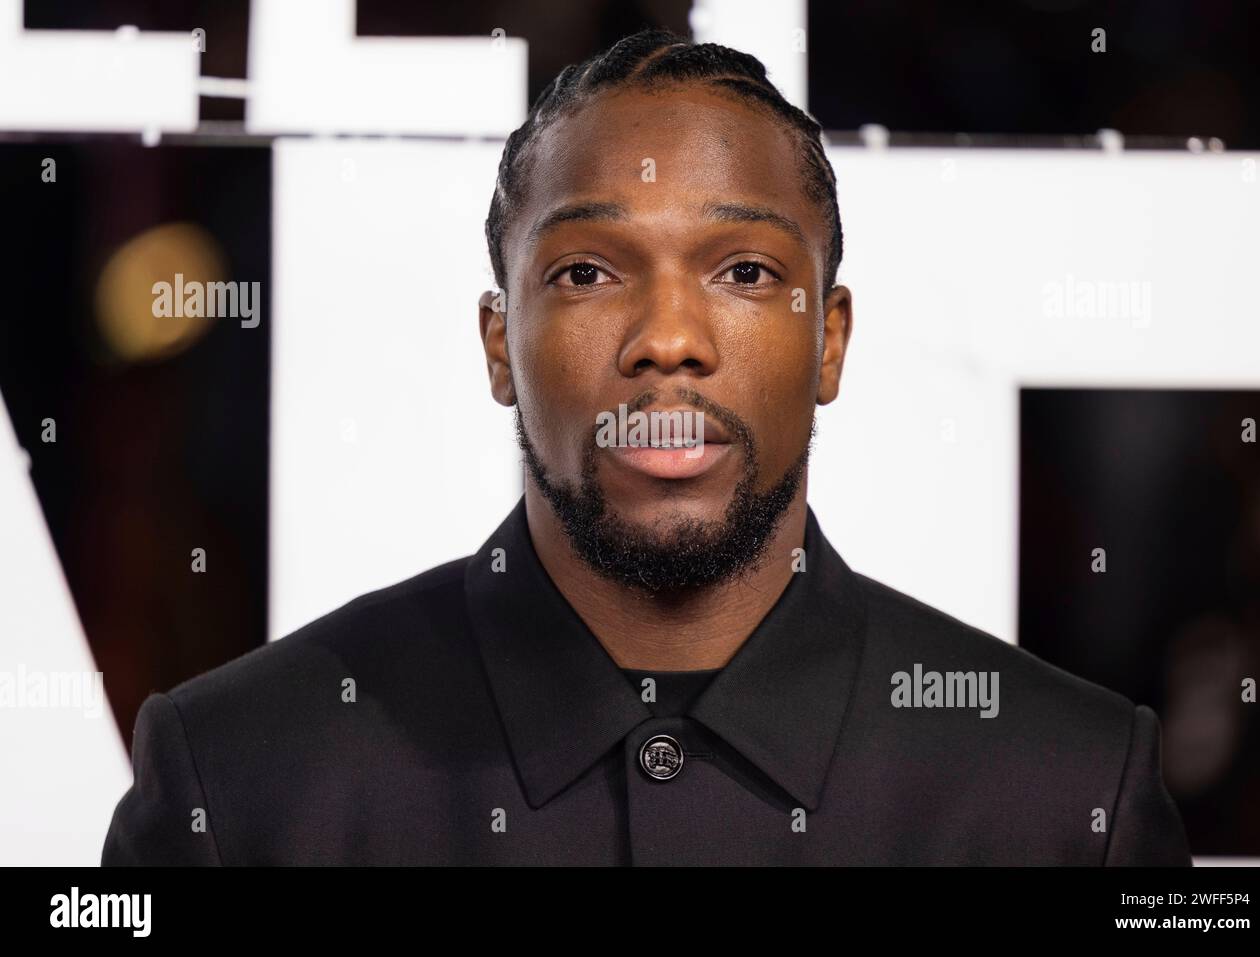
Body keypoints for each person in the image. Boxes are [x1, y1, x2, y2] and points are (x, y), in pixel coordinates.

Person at [102, 29, 1191, 865]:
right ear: (499, 346)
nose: (668, 340)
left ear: (829, 342)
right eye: (586, 272)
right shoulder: (238, 781)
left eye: (745, 273)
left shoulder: (1069, 798)